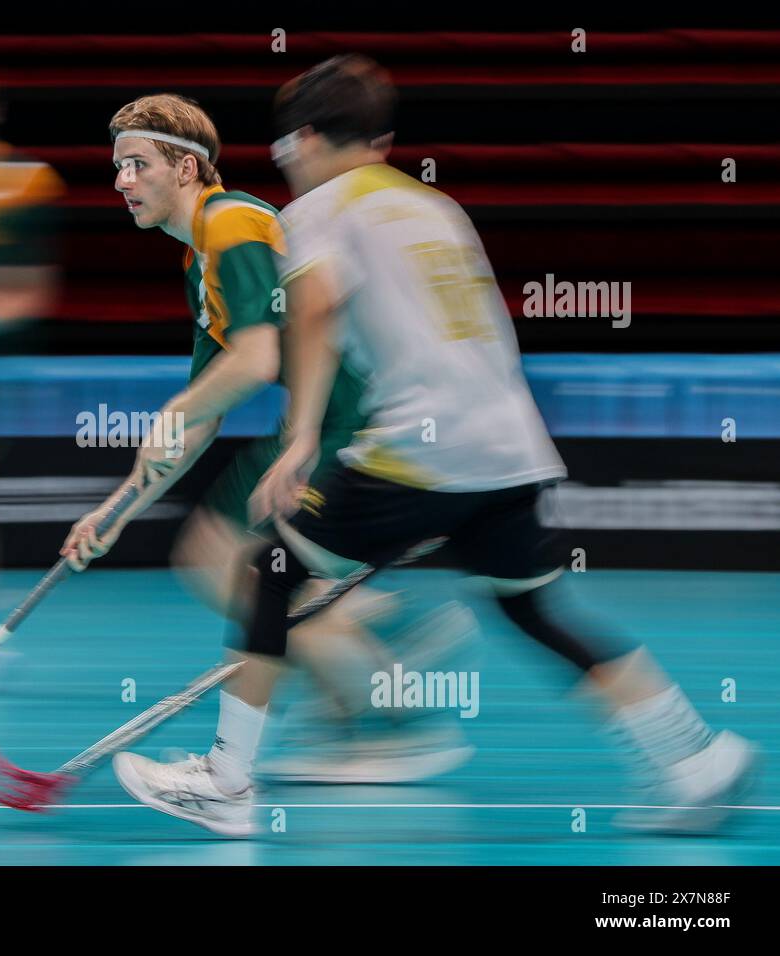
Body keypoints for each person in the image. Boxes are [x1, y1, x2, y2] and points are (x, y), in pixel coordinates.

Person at [112, 56, 758, 837]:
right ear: (378, 136)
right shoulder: (435, 205)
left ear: (305, 138)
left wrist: (304, 439)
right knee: (537, 608)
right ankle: (695, 757)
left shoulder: (324, 209)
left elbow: (312, 316)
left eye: (289, 145)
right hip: (509, 447)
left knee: (268, 576)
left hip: (421, 452)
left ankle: (225, 780)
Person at [61, 92, 475, 783]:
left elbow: (251, 362)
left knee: (244, 569)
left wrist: (176, 412)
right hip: (326, 422)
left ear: (188, 169)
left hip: (358, 421)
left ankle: (386, 713)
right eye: (118, 167)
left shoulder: (233, 226)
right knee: (234, 563)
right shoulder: (202, 261)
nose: (120, 181)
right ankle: (379, 640)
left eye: (136, 165)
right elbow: (200, 417)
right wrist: (115, 512)